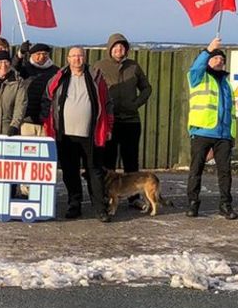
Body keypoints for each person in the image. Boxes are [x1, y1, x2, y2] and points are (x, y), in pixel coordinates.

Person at [43, 46, 113, 222]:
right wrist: (47, 125)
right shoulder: (59, 78)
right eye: (73, 56)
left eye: (80, 56)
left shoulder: (96, 77)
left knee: (94, 171)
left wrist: (109, 126)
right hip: (65, 134)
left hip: (91, 133)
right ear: (68, 59)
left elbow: (107, 103)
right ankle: (74, 204)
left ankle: (100, 208)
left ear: (85, 57)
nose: (77, 59)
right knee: (69, 171)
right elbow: (47, 100)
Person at [96, 33, 152, 209]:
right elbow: (91, 87)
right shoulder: (100, 66)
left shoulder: (133, 66)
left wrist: (136, 103)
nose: (119, 50)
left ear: (126, 49)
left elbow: (146, 88)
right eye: (115, 46)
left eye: (122, 47)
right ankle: (107, 197)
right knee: (108, 160)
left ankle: (133, 198)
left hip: (130, 120)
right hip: (110, 121)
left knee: (131, 161)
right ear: (110, 48)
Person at [186, 37, 237, 219]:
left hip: (223, 135)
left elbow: (229, 112)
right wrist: (209, 49)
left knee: (225, 172)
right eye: (215, 58)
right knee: (196, 170)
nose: (220, 61)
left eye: (222, 59)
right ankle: (193, 203)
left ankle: (225, 205)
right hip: (202, 131)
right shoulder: (198, 77)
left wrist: (231, 136)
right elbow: (196, 67)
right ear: (208, 61)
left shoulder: (226, 83)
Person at [17, 42, 59, 136]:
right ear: (32, 55)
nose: (41, 57)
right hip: (27, 120)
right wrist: (20, 53)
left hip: (47, 120)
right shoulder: (25, 69)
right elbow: (13, 68)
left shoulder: (55, 71)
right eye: (38, 54)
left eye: (44, 54)